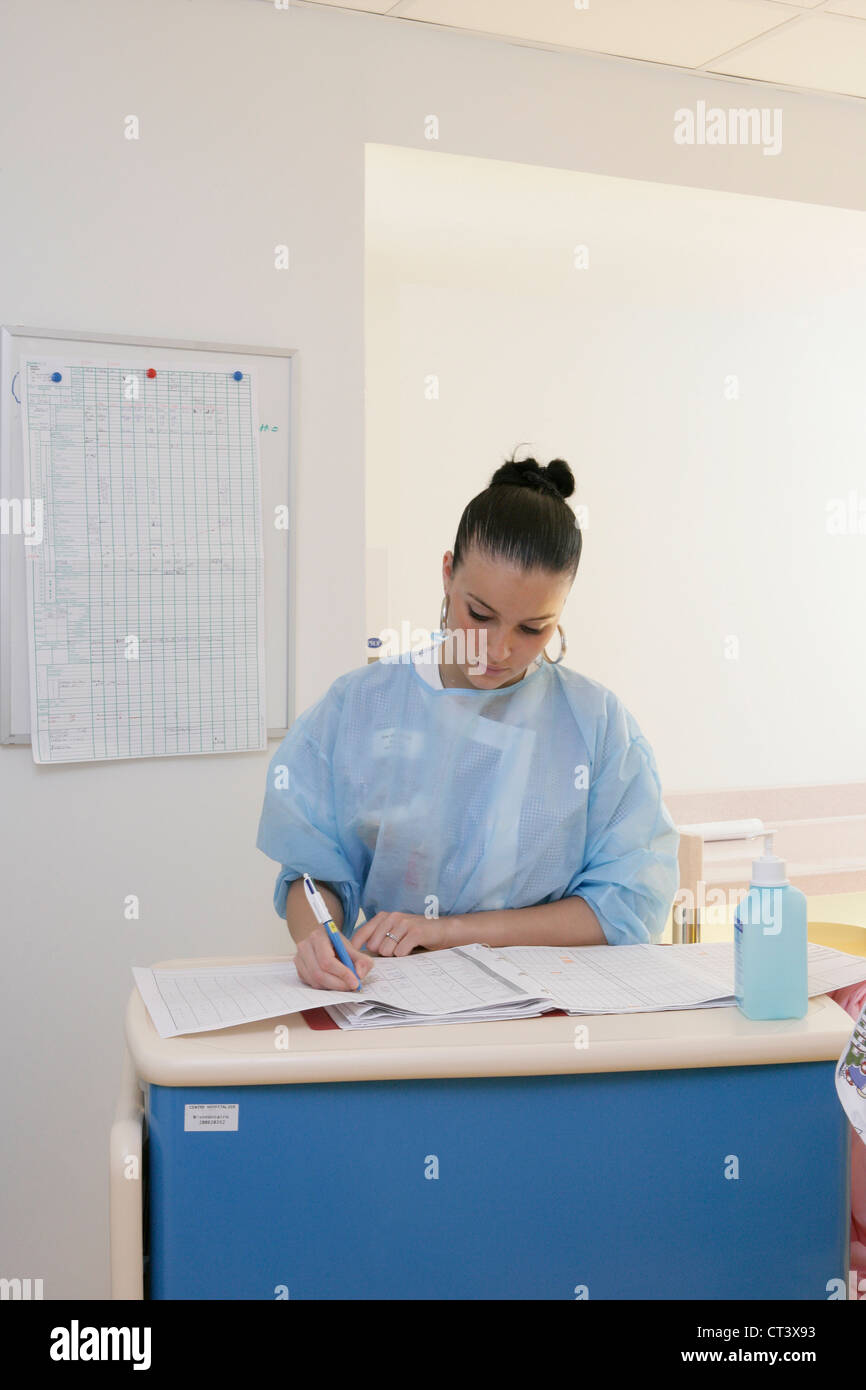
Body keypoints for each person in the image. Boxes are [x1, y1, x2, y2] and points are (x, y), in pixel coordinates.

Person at [256, 453, 680, 990]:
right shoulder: (361, 707)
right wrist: (319, 937)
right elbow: (313, 870)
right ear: (447, 573)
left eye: (533, 628)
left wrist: (448, 931)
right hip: (399, 1003)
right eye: (479, 614)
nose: (497, 649)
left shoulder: (595, 724)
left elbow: (624, 907)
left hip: (553, 1011)